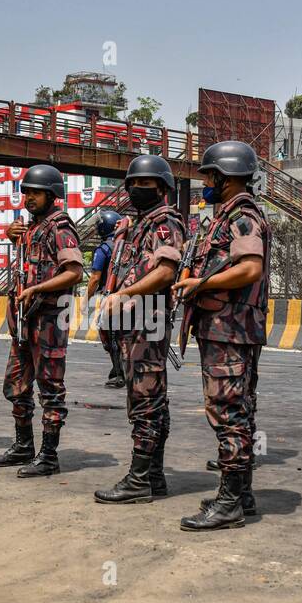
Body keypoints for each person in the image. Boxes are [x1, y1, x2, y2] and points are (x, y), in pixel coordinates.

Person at [173, 141, 270, 531]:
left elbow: (249, 268)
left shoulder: (242, 218)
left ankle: (230, 502)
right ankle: (240, 495)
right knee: (237, 412)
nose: (206, 182)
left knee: (228, 413)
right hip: (225, 329)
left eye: (210, 175)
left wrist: (200, 283)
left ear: (226, 178)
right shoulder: (226, 216)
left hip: (231, 330)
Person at [93, 155, 184, 504]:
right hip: (134, 322)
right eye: (132, 183)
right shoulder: (139, 224)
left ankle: (140, 480)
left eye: (143, 184)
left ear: (161, 188)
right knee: (150, 402)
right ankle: (155, 477)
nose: (135, 189)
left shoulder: (165, 223)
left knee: (146, 402)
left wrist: (125, 293)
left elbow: (165, 272)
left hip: (148, 320)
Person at [0, 164, 83, 476]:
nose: (29, 197)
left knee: (50, 389)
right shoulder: (32, 227)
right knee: (16, 386)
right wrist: (11, 234)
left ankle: (49, 455)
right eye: (26, 192)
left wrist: (37, 289)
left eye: (36, 192)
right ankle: (24, 446)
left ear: (52, 194)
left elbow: (74, 272)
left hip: (49, 322)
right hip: (24, 323)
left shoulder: (60, 228)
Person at [88, 209, 126, 388]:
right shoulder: (125, 245)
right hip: (128, 295)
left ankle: (119, 373)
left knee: (110, 336)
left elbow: (95, 278)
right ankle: (120, 369)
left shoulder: (103, 249)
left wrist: (86, 299)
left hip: (110, 296)